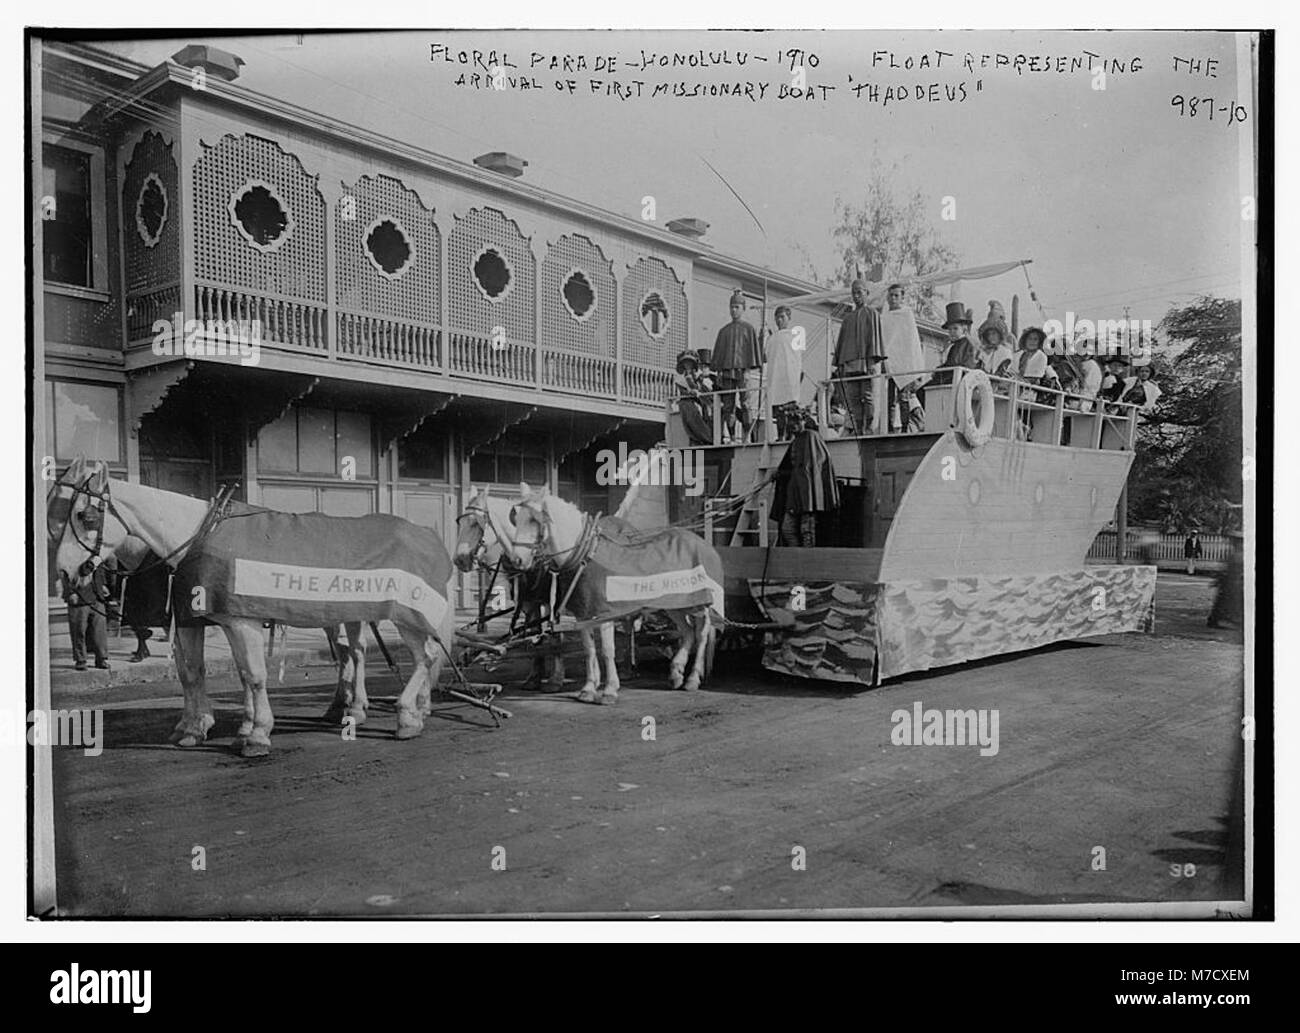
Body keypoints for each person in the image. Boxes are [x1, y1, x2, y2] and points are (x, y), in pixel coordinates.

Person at [832, 278, 884, 435]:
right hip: (850, 364)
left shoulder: (872, 314)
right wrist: (841, 363)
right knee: (853, 398)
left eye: (859, 292)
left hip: (865, 363)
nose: (856, 296)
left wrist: (871, 363)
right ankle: (858, 428)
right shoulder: (848, 318)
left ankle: (868, 427)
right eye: (853, 293)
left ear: (867, 293)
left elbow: (874, 341)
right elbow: (842, 343)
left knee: (867, 396)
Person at [711, 290, 762, 444]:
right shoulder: (724, 331)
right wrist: (720, 372)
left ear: (743, 309)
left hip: (743, 372)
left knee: (746, 404)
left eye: (737, 307)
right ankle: (732, 437)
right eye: (732, 307)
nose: (734, 310)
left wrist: (747, 370)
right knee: (728, 406)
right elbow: (719, 356)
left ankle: (747, 437)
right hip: (727, 373)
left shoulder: (749, 329)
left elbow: (753, 353)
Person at [880, 283, 927, 433]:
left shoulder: (907, 314)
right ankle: (889, 428)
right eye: (891, 295)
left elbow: (911, 342)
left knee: (904, 398)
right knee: (889, 399)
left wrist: (912, 365)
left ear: (902, 298)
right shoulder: (884, 317)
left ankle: (906, 427)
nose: (893, 298)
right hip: (889, 361)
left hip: (904, 362)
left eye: (896, 295)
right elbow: (884, 340)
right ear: (887, 297)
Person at [63, 561, 114, 671]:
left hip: (97, 595)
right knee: (79, 629)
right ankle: (80, 660)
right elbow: (65, 572)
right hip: (79, 596)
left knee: (100, 630)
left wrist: (102, 584)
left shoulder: (97, 550)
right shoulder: (72, 552)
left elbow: (99, 568)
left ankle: (101, 658)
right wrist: (70, 592)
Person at [764, 305, 804, 440]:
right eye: (777, 317)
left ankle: (791, 435)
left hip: (789, 377)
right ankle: (780, 435)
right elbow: (765, 357)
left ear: (789, 318)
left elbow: (797, 359)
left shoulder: (794, 336)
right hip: (776, 377)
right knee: (778, 410)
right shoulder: (771, 339)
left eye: (782, 317)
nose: (779, 320)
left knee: (790, 409)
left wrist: (796, 376)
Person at [673, 349, 714, 446]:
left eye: (690, 362)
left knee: (709, 411)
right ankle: (701, 437)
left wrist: (698, 387)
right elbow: (683, 391)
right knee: (688, 409)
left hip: (703, 400)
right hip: (688, 400)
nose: (688, 365)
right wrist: (691, 392)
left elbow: (706, 390)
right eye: (686, 362)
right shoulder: (680, 378)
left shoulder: (700, 376)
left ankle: (709, 437)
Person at [931, 302, 978, 387]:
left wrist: (941, 370)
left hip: (959, 378)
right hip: (951, 376)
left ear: (964, 328)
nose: (952, 332)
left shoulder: (967, 343)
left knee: (922, 392)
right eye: (950, 330)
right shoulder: (954, 345)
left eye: (955, 328)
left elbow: (959, 363)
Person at [975, 301, 1014, 379]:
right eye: (988, 334)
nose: (991, 337)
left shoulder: (1005, 352)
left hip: (999, 384)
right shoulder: (984, 352)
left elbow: (1001, 372)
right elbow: (978, 368)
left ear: (999, 335)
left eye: (993, 334)